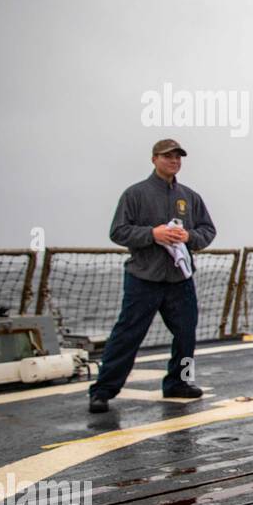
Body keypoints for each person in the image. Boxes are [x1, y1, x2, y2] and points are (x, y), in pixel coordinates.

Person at [88, 139, 215, 413]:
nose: (174, 161)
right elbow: (118, 231)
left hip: (179, 278)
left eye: (178, 157)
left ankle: (179, 383)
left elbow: (208, 231)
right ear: (154, 159)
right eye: (168, 156)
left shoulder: (189, 197)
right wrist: (152, 234)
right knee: (128, 334)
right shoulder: (135, 194)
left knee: (186, 333)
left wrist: (189, 236)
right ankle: (102, 391)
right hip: (143, 278)